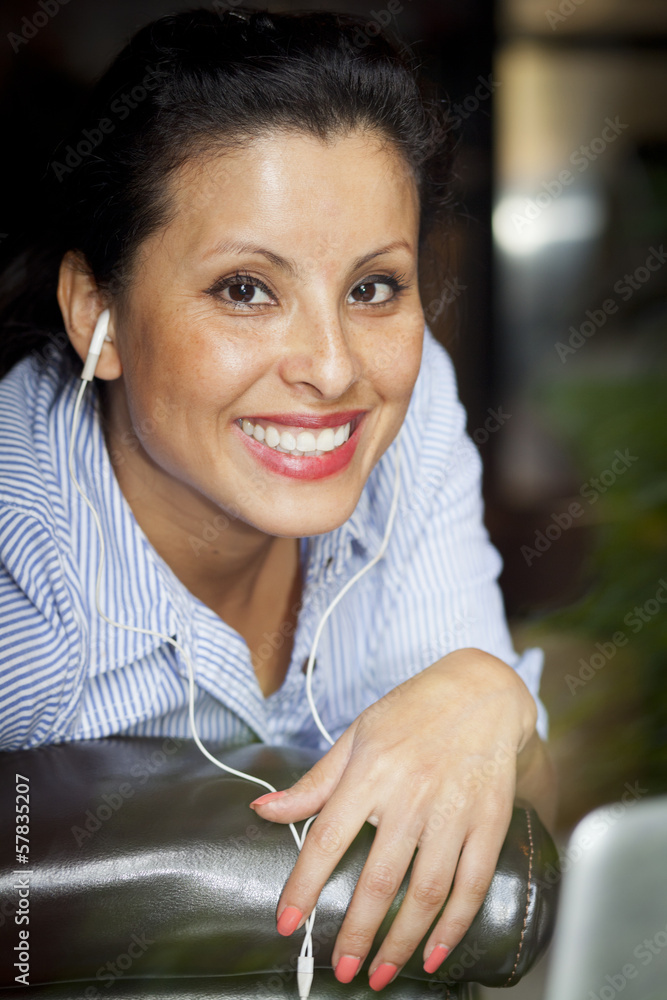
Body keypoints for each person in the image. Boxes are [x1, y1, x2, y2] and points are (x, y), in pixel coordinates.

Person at [0, 6, 557, 991]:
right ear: (99, 313)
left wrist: (490, 692)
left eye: (374, 286)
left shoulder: (407, 394)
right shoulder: (20, 557)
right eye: (246, 290)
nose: (334, 368)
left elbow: (516, 812)